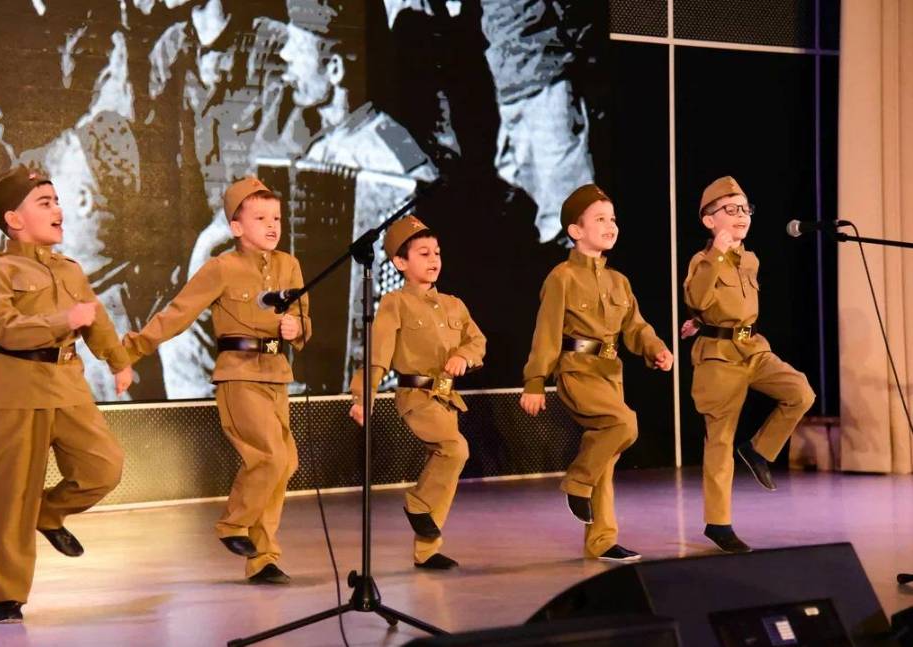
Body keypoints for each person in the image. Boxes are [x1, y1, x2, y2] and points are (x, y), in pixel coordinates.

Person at [122, 176, 311, 584]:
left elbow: (302, 316)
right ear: (236, 227)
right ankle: (232, 524)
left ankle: (262, 558)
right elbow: (177, 314)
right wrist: (131, 349)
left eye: (276, 218)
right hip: (238, 375)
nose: (272, 225)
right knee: (269, 457)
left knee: (286, 462)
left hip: (277, 374)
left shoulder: (289, 266)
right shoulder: (221, 267)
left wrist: (299, 328)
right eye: (260, 218)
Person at [0, 165, 133, 622]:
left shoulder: (69, 269)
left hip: (68, 385)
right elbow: (5, 329)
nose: (58, 209)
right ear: (14, 219)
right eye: (45, 203)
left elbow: (96, 319)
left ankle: (48, 513)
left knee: (104, 466)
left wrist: (118, 361)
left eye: (56, 201)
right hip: (19, 390)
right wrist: (65, 321)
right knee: (15, 496)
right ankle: (7, 596)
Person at [520, 184, 673, 562]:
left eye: (613, 219)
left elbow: (636, 327)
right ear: (576, 230)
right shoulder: (561, 277)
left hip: (611, 374)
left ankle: (601, 540)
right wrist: (535, 381)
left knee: (605, 456)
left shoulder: (618, 281)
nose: (610, 226)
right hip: (577, 372)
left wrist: (655, 348)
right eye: (600, 219)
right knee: (624, 424)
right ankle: (576, 482)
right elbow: (546, 333)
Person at [683, 175, 815, 553]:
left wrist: (701, 319)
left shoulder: (750, 259)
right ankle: (719, 523)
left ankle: (758, 450)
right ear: (709, 220)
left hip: (753, 348)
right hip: (718, 358)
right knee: (719, 441)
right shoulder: (702, 260)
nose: (741, 215)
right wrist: (715, 257)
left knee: (800, 391)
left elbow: (731, 305)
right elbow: (696, 297)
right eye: (731, 209)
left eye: (745, 209)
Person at [349, 214, 486, 570]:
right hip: (416, 397)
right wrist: (363, 397)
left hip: (447, 399)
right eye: (423, 253)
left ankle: (426, 550)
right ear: (400, 263)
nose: (433, 259)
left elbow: (477, 341)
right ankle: (418, 504)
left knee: (446, 462)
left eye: (436, 252)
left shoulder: (454, 304)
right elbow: (378, 355)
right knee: (455, 449)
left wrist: (464, 356)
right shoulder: (395, 303)